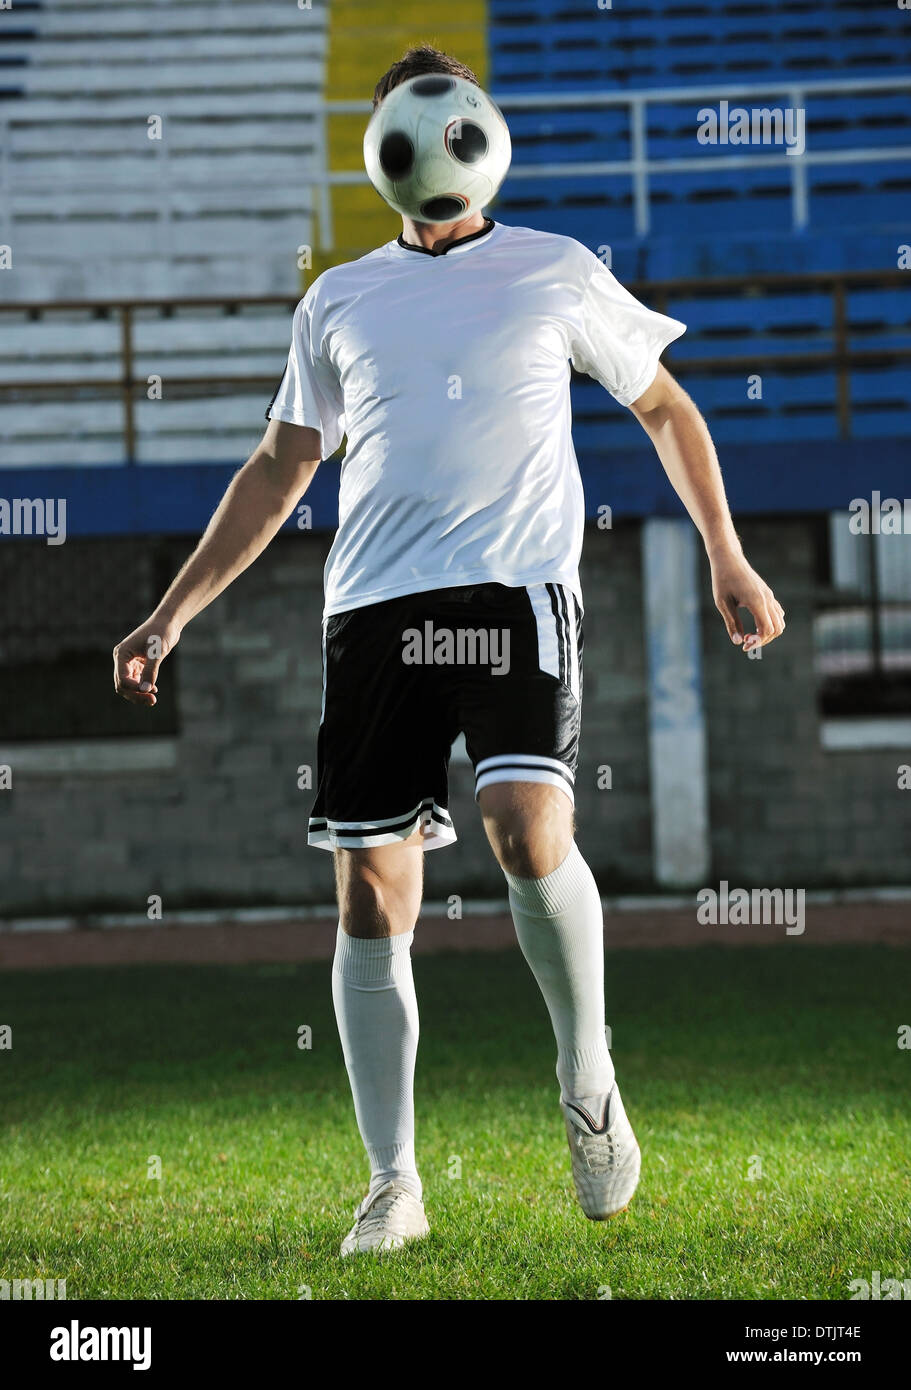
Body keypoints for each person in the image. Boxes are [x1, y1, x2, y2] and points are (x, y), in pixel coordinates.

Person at [114, 45, 785, 1258]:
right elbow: (280, 467)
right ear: (384, 155)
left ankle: (589, 1087)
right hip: (373, 609)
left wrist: (728, 558)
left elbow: (668, 408)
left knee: (528, 828)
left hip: (517, 591)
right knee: (372, 896)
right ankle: (393, 1182)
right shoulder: (339, 298)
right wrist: (171, 612)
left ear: (478, 135)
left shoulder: (555, 270)